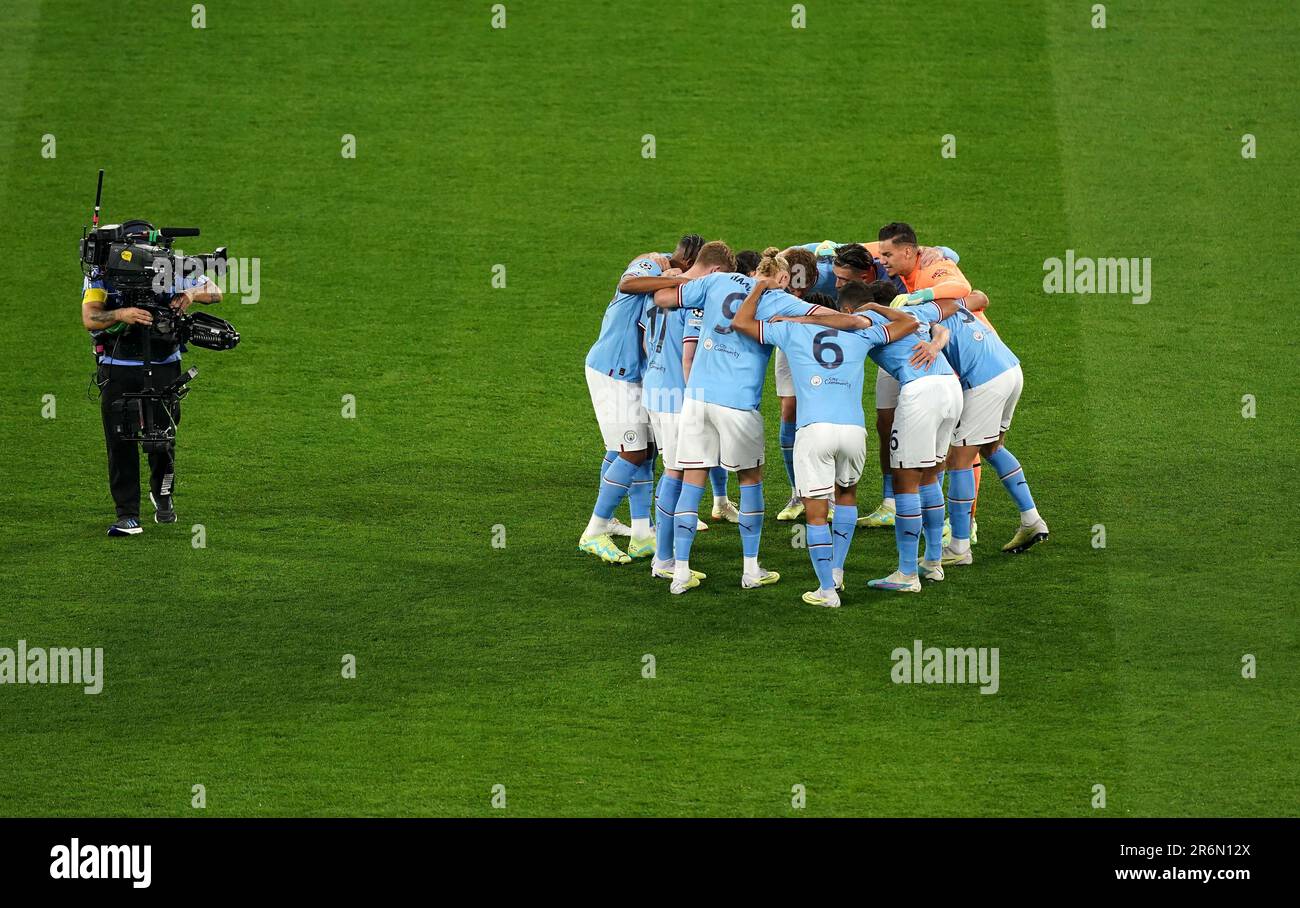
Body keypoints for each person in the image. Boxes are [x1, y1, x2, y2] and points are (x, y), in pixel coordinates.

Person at [650, 247, 831, 594]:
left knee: (692, 482)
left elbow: (663, 298)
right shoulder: (778, 300)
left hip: (697, 399)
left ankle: (680, 572)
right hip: (738, 406)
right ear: (781, 277)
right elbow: (824, 316)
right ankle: (750, 569)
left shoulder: (715, 281)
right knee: (750, 482)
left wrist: (673, 277)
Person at [730, 279, 920, 607]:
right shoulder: (860, 333)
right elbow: (908, 322)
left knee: (816, 513)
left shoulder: (790, 330)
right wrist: (873, 306)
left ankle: (826, 591)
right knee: (846, 495)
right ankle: (837, 572)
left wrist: (760, 288)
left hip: (814, 430)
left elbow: (741, 323)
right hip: (853, 432)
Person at [82, 219, 222, 536]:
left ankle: (163, 494)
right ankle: (127, 514)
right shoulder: (101, 275)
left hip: (163, 364)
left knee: (163, 440)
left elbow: (215, 291)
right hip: (118, 367)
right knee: (120, 442)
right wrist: (122, 314)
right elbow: (90, 318)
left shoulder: (170, 267)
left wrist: (190, 296)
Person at [903, 292, 1049, 560]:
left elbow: (940, 334)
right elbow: (979, 297)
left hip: (986, 381)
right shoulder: (945, 304)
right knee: (992, 447)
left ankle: (959, 546)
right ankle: (1031, 520)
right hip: (1010, 369)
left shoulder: (917, 314)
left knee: (960, 459)